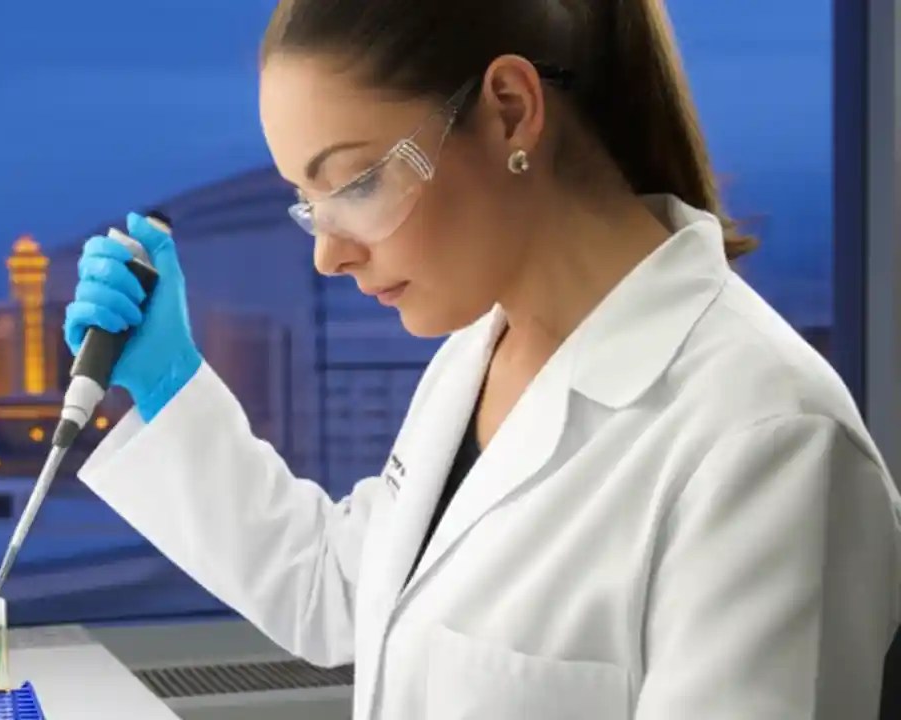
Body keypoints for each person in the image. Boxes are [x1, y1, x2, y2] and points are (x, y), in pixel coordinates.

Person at [64, 0, 901, 717]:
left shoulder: (770, 443)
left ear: (508, 109)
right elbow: (348, 593)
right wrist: (171, 389)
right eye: (307, 203)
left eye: (355, 185)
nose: (328, 254)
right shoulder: (481, 353)